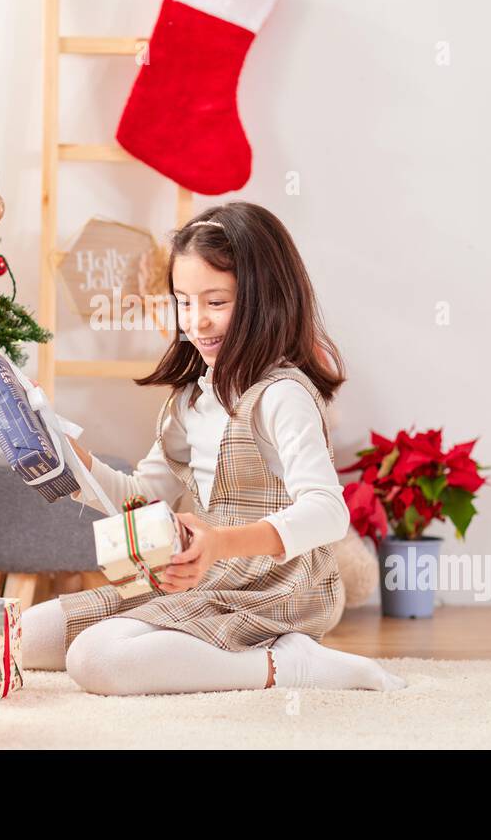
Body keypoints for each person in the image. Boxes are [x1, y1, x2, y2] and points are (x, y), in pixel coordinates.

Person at [22, 201, 407, 695]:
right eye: (183, 301)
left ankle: (293, 666)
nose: (196, 322)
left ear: (266, 299)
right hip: (203, 577)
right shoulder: (190, 398)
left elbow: (329, 513)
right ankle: (225, 651)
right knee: (25, 634)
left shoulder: (281, 395)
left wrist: (222, 543)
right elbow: (144, 499)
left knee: (95, 659)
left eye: (216, 302)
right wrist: (70, 459)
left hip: (277, 585)